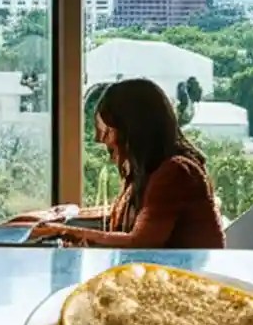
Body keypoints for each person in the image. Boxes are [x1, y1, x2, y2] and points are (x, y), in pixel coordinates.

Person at [29, 77, 225, 249]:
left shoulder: (175, 172)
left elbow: (139, 243)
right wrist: (56, 216)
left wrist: (62, 231)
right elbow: (118, 215)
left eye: (106, 131)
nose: (99, 139)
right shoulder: (148, 172)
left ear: (132, 130)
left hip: (187, 276)